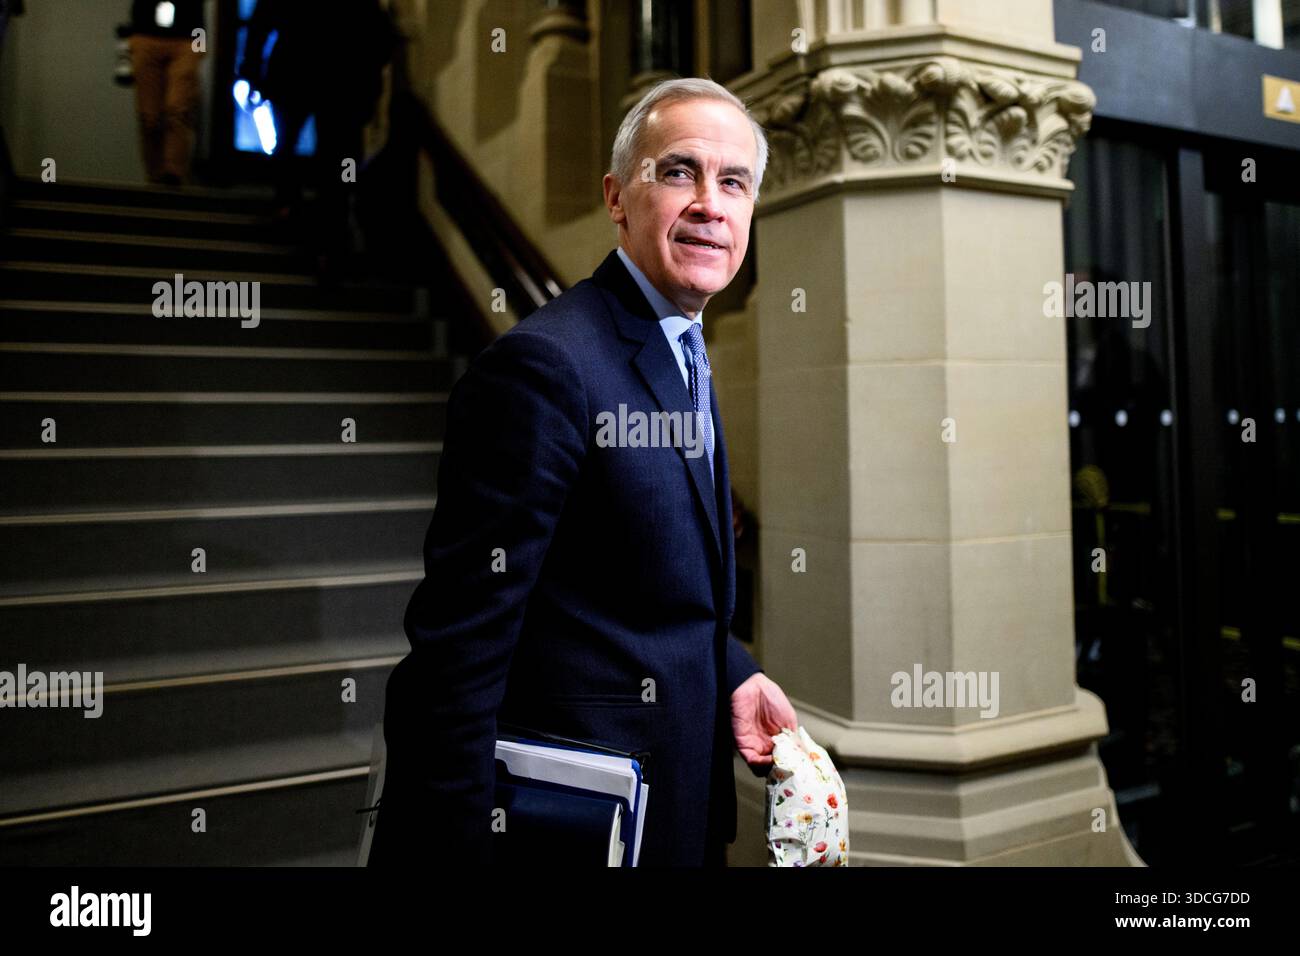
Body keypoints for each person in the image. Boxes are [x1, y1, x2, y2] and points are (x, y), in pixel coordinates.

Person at [369, 77, 799, 868]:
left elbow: (630, 575)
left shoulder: (679, 346)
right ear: (616, 197)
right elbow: (455, 659)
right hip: (575, 830)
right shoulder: (546, 369)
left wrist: (733, 669)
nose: (710, 202)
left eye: (734, 182)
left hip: (677, 810)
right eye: (678, 172)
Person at [237, 0, 395, 277]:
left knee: (290, 143)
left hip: (298, 67)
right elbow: (377, 33)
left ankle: (292, 206)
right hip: (339, 76)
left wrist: (251, 70)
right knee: (335, 158)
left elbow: (263, 20)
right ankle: (329, 234)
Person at [128, 0, 206, 185]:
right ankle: (156, 177)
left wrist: (200, 45)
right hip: (146, 32)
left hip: (188, 35)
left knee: (178, 108)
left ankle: (174, 174)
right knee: (149, 116)